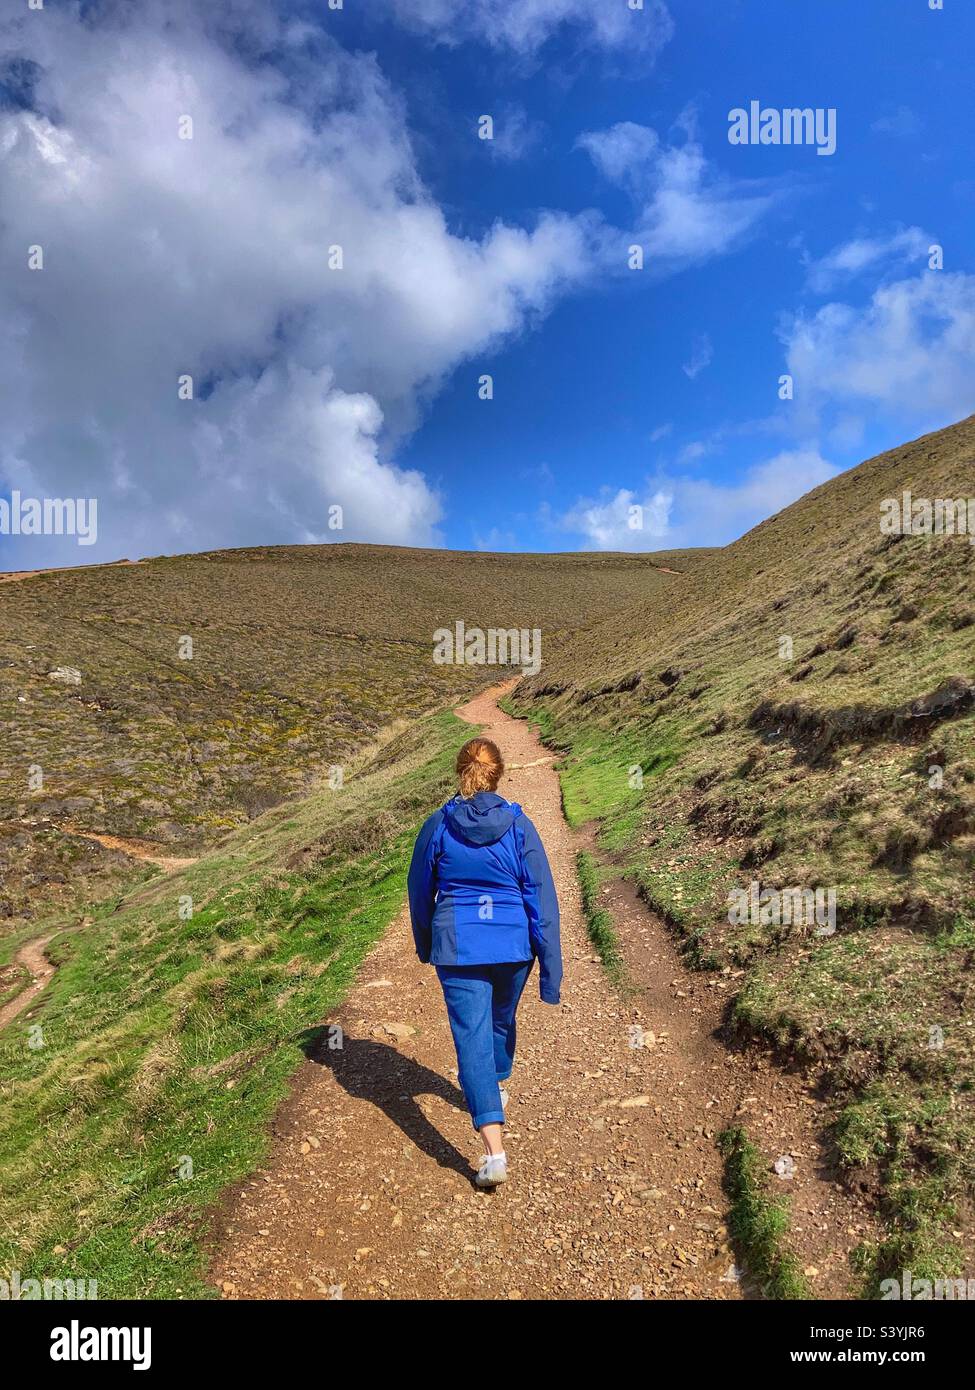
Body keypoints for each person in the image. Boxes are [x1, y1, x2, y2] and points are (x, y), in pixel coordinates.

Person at [407, 736, 562, 1188]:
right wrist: (549, 967)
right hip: (513, 946)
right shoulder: (520, 827)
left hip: (458, 945)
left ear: (461, 772)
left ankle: (494, 1151)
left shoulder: (438, 825)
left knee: (473, 1035)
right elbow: (542, 899)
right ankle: (494, 1092)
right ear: (499, 773)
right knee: (499, 1021)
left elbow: (419, 892)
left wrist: (426, 943)